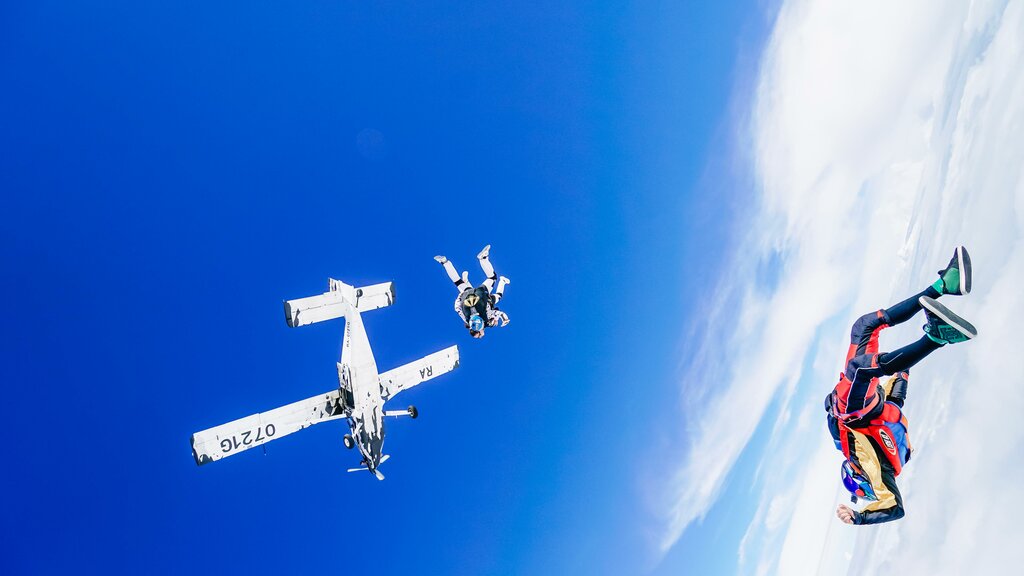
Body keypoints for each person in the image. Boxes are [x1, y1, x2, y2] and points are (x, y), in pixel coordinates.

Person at [826, 246, 977, 525]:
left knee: (865, 327)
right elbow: (895, 508)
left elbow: (896, 400)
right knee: (859, 368)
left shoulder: (888, 445)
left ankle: (945, 284)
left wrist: (903, 367)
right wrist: (858, 517)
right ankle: (937, 337)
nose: (850, 465)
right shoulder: (874, 468)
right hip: (851, 407)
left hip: (864, 401)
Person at [434, 245, 510, 339]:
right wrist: (461, 295)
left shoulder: (485, 318)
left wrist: (505, 319)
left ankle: (483, 258)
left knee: (493, 278)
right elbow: (457, 308)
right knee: (458, 282)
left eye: (479, 336)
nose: (481, 337)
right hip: (469, 295)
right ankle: (445, 262)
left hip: (481, 295)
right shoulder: (467, 320)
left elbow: (499, 313)